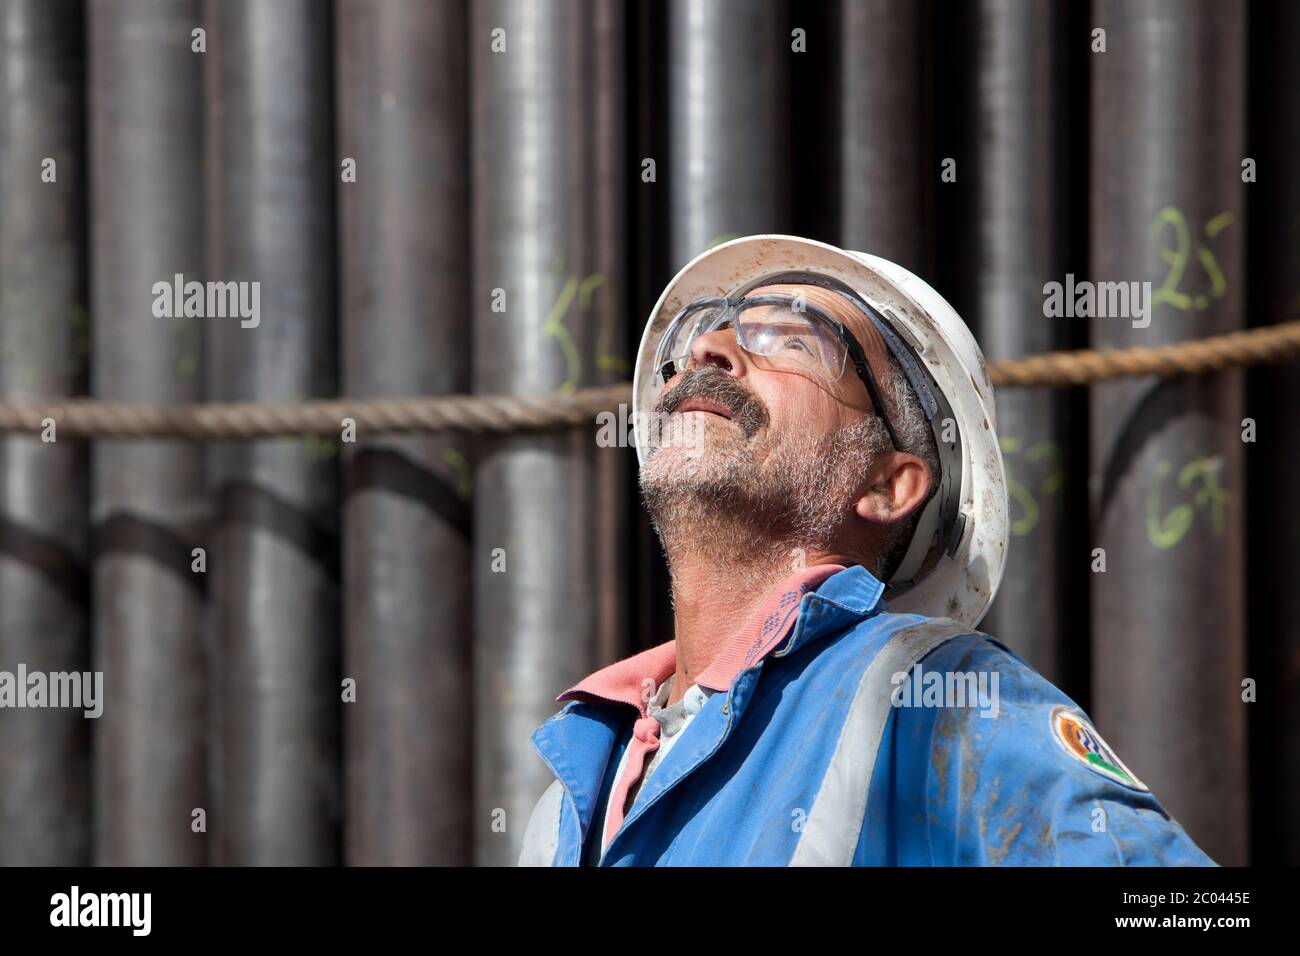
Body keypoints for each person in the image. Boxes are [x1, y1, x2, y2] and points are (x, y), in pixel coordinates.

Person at [519, 235, 1215, 866]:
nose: (707, 350)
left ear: (886, 485)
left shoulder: (936, 699)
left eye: (790, 339)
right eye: (700, 332)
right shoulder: (569, 796)